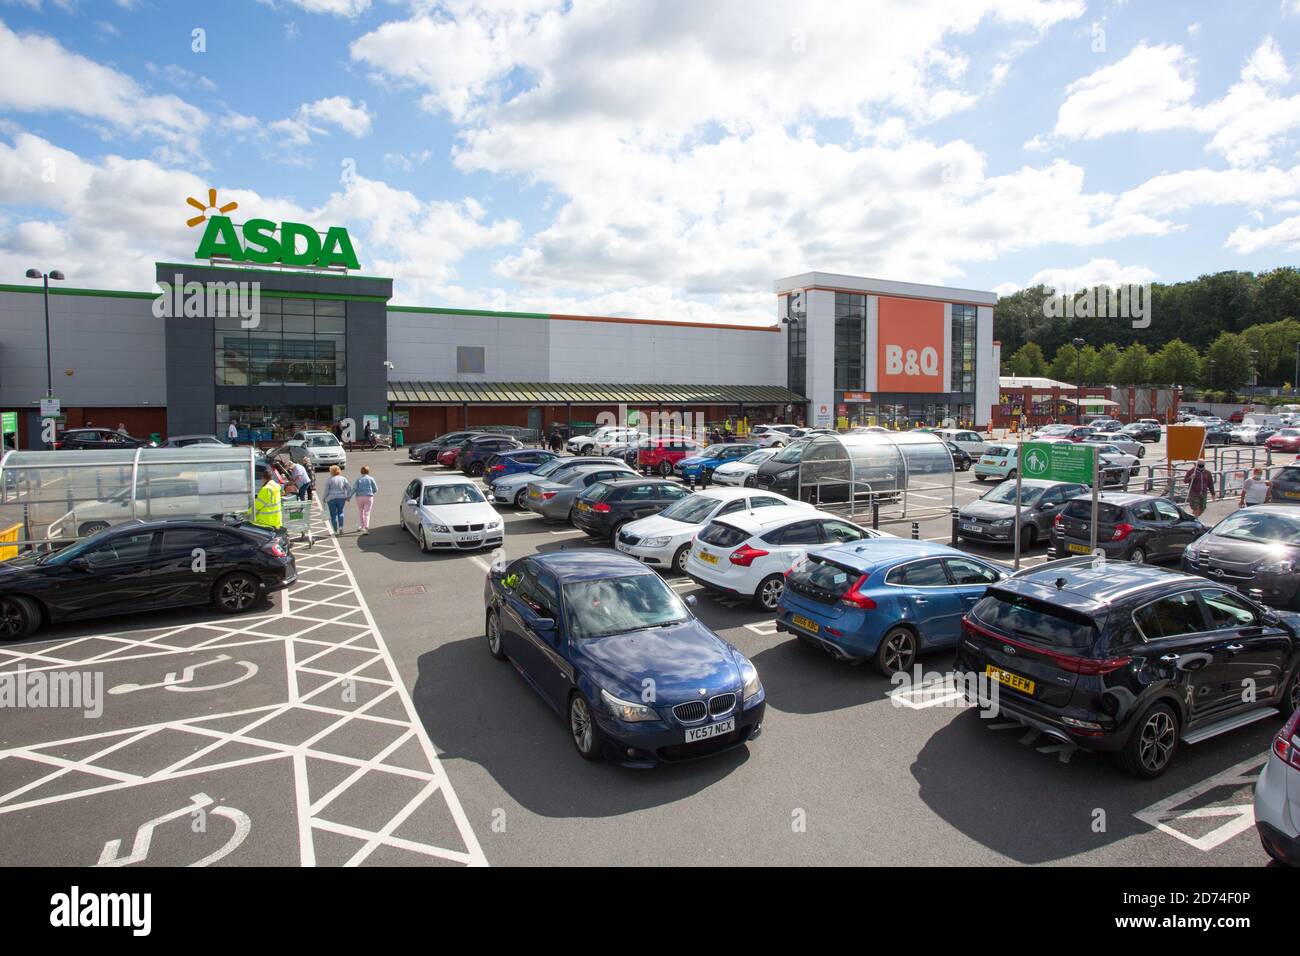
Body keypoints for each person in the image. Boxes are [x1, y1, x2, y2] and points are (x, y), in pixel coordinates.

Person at [251, 463, 283, 532]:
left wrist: (247, 512)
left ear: (263, 478)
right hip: (276, 520)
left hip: (266, 522)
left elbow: (257, 505)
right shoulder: (276, 487)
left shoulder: (266, 489)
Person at [323, 465, 352, 534]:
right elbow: (349, 488)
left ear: (331, 472)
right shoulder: (343, 478)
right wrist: (348, 496)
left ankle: (335, 530)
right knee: (340, 512)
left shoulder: (329, 480)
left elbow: (326, 490)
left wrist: (324, 498)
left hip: (331, 498)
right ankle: (341, 527)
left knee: (333, 514)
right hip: (341, 498)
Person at [353, 465, 378, 534]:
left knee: (361, 512)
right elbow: (376, 489)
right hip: (369, 497)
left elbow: (354, 488)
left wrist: (349, 496)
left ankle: (362, 526)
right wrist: (372, 493)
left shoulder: (358, 479)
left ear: (361, 471)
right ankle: (366, 528)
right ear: (368, 471)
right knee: (367, 513)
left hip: (359, 497)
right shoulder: (371, 479)